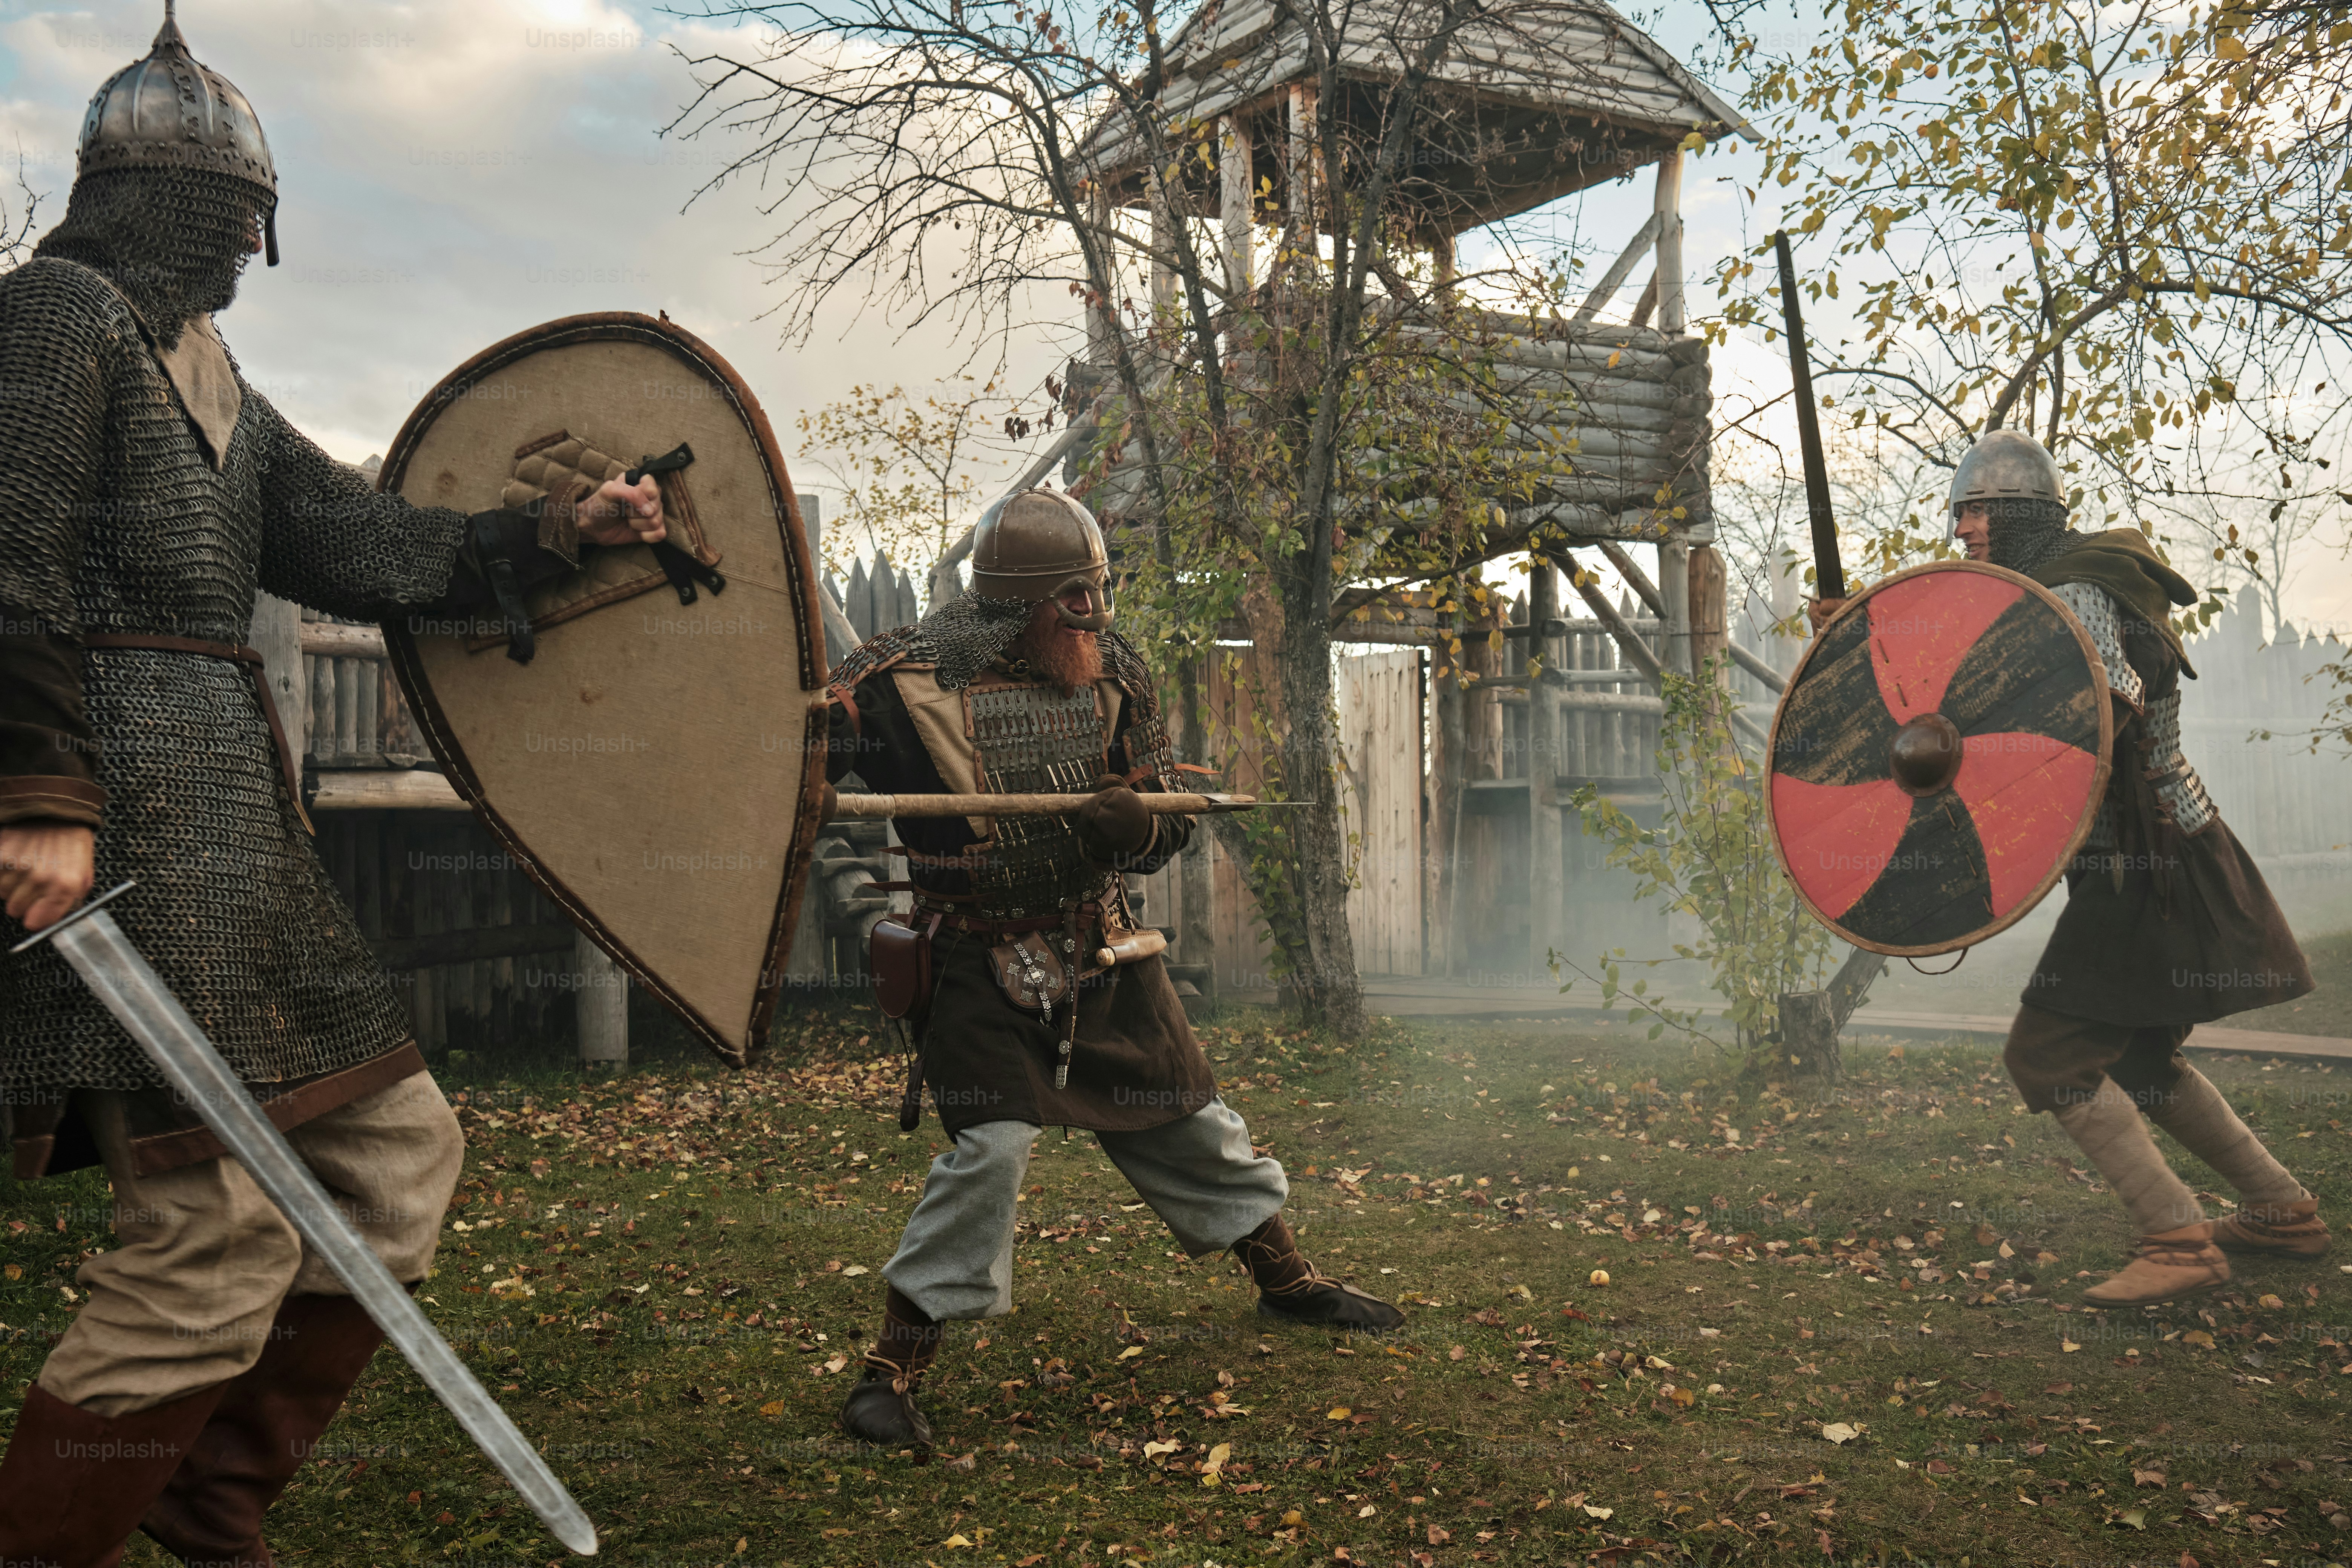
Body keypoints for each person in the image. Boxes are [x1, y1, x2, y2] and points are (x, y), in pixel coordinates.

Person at [0, 12, 661, 1561]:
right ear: (168, 203)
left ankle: (202, 1488)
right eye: (232, 213)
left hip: (235, 839)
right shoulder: (55, 316)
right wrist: (38, 787)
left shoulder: (210, 369)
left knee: (398, 1156)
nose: (243, 242)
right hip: (120, 832)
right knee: (210, 1227)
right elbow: (5, 548)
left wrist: (570, 530)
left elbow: (367, 547)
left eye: (254, 218)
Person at [821, 488, 1403, 1448]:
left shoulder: (1113, 674)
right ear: (1024, 602)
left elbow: (1166, 804)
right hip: (973, 956)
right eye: (1077, 598)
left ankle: (1288, 1282)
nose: (1095, 615)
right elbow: (805, 761)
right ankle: (891, 1369)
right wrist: (804, 773)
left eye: (1097, 594)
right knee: (992, 1152)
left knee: (1190, 1117)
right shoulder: (898, 679)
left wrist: (1142, 825)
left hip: (1099, 941)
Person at [1818, 431, 2324, 1306]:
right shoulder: (2060, 591)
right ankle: (2283, 1208)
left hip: (2149, 863)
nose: (1964, 527)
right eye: (1961, 510)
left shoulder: (2080, 596)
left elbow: (2089, 715)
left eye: (1978, 511)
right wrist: (1861, 645)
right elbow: (1964, 691)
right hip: (2161, 854)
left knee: (2046, 1053)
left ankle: (2176, 1238)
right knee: (2140, 1055)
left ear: (2023, 516)